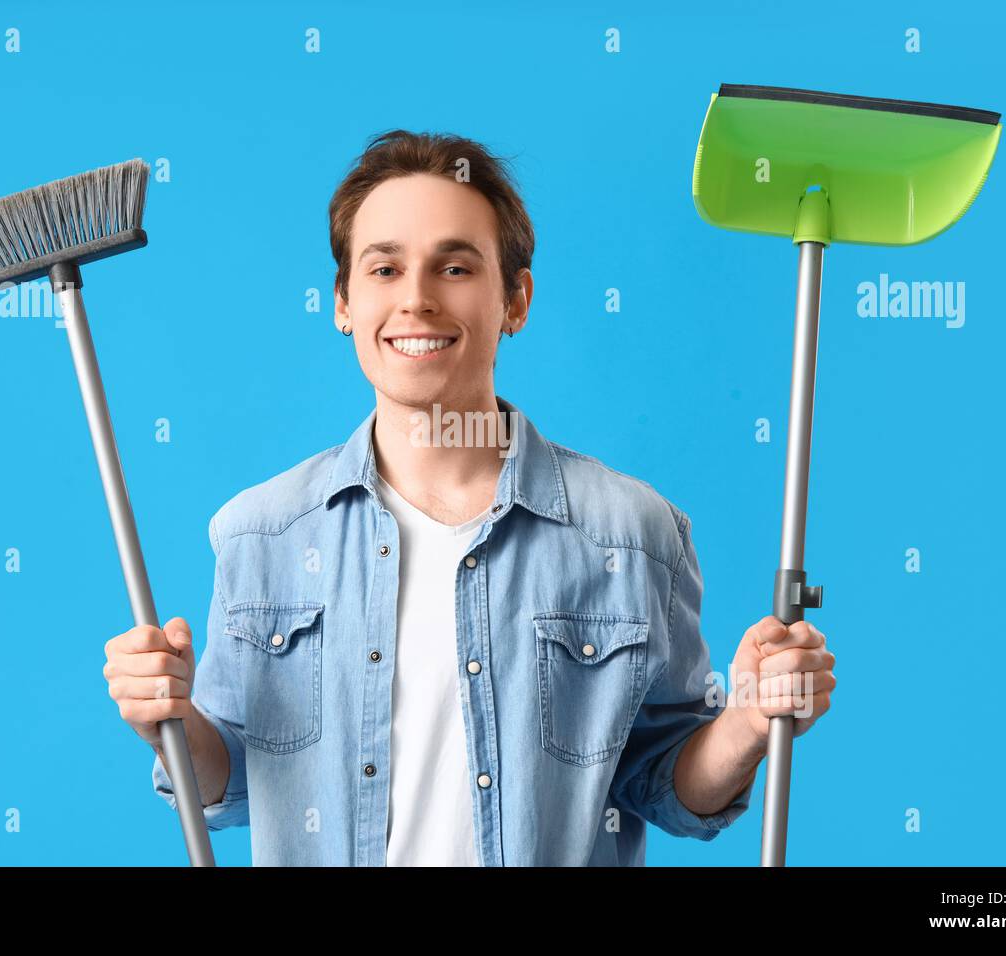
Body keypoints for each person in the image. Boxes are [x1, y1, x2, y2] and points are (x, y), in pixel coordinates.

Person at [101, 130, 837, 866]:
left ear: (515, 299)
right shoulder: (260, 534)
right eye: (385, 268)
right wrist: (168, 717)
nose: (416, 300)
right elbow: (231, 787)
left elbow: (665, 786)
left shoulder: (632, 534)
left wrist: (746, 720)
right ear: (344, 303)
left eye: (454, 267)